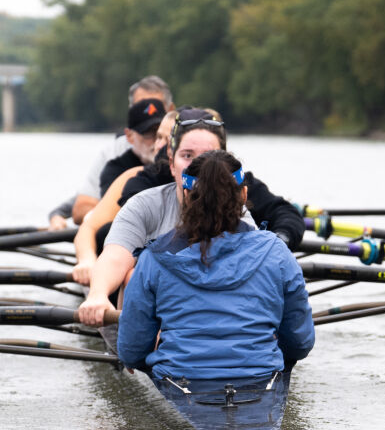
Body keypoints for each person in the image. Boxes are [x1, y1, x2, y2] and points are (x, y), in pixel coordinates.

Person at [71, 107, 306, 317]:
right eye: (187, 156)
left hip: (215, 313)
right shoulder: (143, 200)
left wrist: (278, 246)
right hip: (164, 312)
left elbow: (281, 222)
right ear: (171, 162)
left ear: (224, 161)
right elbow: (115, 256)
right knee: (133, 275)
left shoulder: (241, 203)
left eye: (208, 156)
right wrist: (98, 295)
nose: (200, 167)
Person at [115, 149, 314, 380]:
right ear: (243, 195)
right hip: (259, 378)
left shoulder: (154, 257)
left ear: (187, 196)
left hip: (181, 378)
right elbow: (301, 343)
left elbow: (131, 351)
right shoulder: (277, 252)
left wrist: (147, 359)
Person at [46, 76, 173, 229]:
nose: (157, 143)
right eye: (148, 134)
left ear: (171, 110)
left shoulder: (188, 145)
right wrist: (92, 221)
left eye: (160, 135)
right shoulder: (114, 159)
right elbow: (82, 205)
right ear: (130, 135)